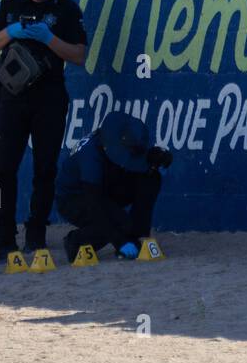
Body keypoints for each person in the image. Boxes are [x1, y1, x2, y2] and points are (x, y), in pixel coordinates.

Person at [0, 0, 88, 258]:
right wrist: (10, 32)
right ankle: (2, 232)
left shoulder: (67, 10)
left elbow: (79, 55)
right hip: (11, 98)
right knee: (2, 169)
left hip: (49, 98)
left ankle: (36, 232)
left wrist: (48, 38)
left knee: (45, 169)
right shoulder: (12, 3)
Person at [55, 112, 172, 263]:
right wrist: (118, 241)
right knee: (120, 223)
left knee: (151, 177)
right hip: (73, 198)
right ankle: (76, 241)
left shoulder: (112, 140)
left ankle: (135, 236)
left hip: (102, 188)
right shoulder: (91, 157)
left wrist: (158, 160)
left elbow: (138, 164)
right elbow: (94, 204)